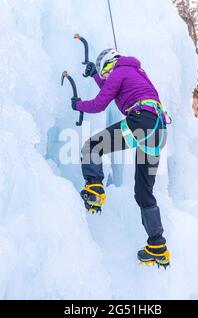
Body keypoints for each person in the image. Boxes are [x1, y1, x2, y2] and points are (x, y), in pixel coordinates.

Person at [72, 49, 170, 268]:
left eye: (103, 71)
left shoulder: (120, 70)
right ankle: (157, 246)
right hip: (158, 129)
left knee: (93, 146)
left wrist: (78, 104)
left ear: (108, 64)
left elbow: (100, 103)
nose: (105, 76)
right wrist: (95, 76)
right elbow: (113, 90)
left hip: (141, 122)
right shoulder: (135, 72)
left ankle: (95, 189)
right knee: (144, 192)